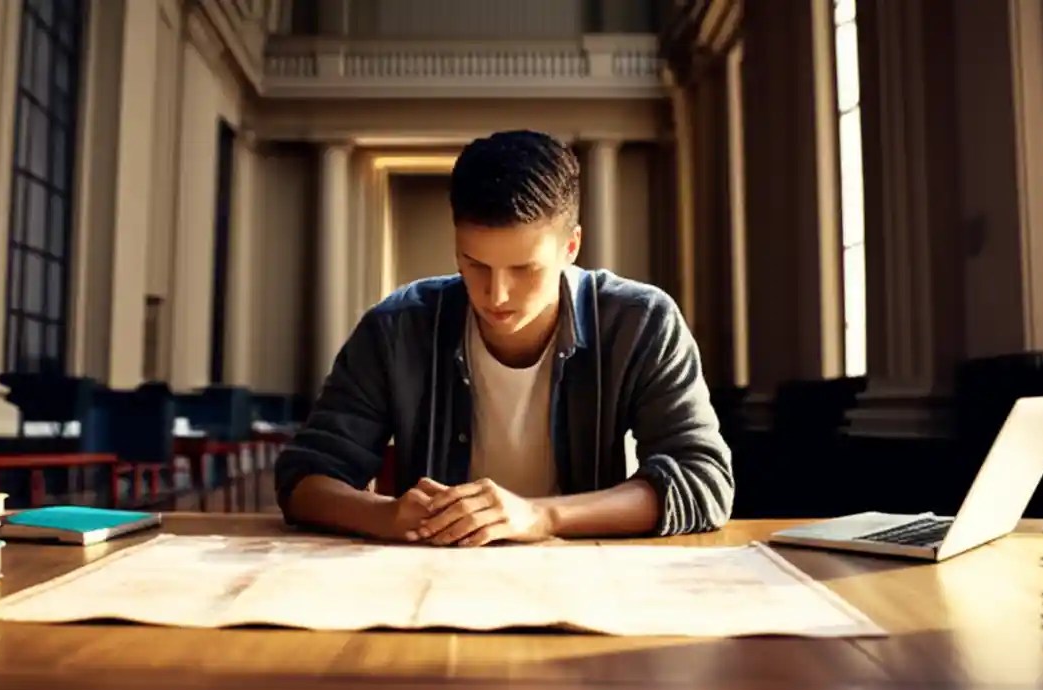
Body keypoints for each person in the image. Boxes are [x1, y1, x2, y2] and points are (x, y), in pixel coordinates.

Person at [274, 129, 733, 546]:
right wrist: (386, 515)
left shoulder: (640, 321)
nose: (497, 294)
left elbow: (703, 479)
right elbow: (305, 478)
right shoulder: (397, 327)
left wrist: (542, 516)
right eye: (474, 264)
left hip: (587, 576)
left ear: (570, 246)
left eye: (523, 269)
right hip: (438, 579)